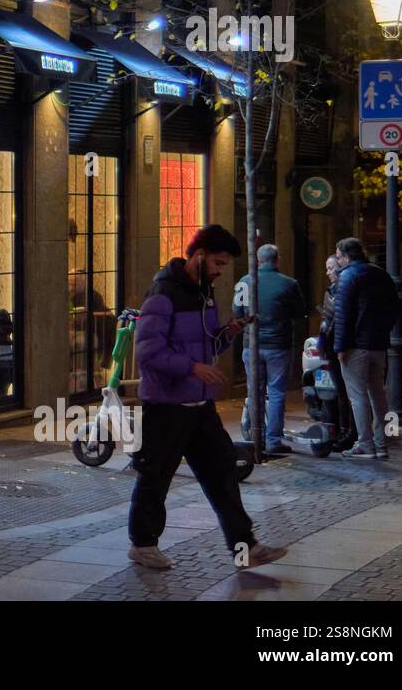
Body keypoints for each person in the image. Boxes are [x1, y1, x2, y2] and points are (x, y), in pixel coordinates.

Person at [128, 224, 288, 571]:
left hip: (200, 405)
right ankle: (143, 545)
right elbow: (148, 352)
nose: (219, 271)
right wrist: (192, 368)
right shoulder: (162, 293)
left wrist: (229, 331)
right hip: (166, 406)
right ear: (198, 256)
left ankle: (245, 547)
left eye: (224, 265)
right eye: (217, 263)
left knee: (222, 473)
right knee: (155, 477)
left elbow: (206, 342)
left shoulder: (205, 293)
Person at [234, 244, 306, 454]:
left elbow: (236, 313)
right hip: (278, 345)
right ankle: (274, 440)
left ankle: (257, 436)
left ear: (257, 260)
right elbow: (300, 313)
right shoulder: (289, 284)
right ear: (277, 260)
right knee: (276, 393)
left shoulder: (244, 283)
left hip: (251, 345)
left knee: (254, 392)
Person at [331, 237, 398, 461]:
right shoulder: (381, 274)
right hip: (378, 345)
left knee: (358, 396)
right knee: (378, 395)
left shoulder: (347, 276)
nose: (338, 261)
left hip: (356, 347)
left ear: (346, 256)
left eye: (338, 257)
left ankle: (365, 444)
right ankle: (381, 444)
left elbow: (343, 316)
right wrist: (383, 334)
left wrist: (340, 347)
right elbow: (394, 309)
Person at [315, 254, 357, 451]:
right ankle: (343, 430)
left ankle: (351, 432)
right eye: (327, 268)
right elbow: (326, 320)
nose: (328, 272)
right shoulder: (330, 292)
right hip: (331, 347)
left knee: (349, 392)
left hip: (342, 348)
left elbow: (339, 321)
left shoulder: (344, 291)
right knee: (340, 391)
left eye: (331, 268)